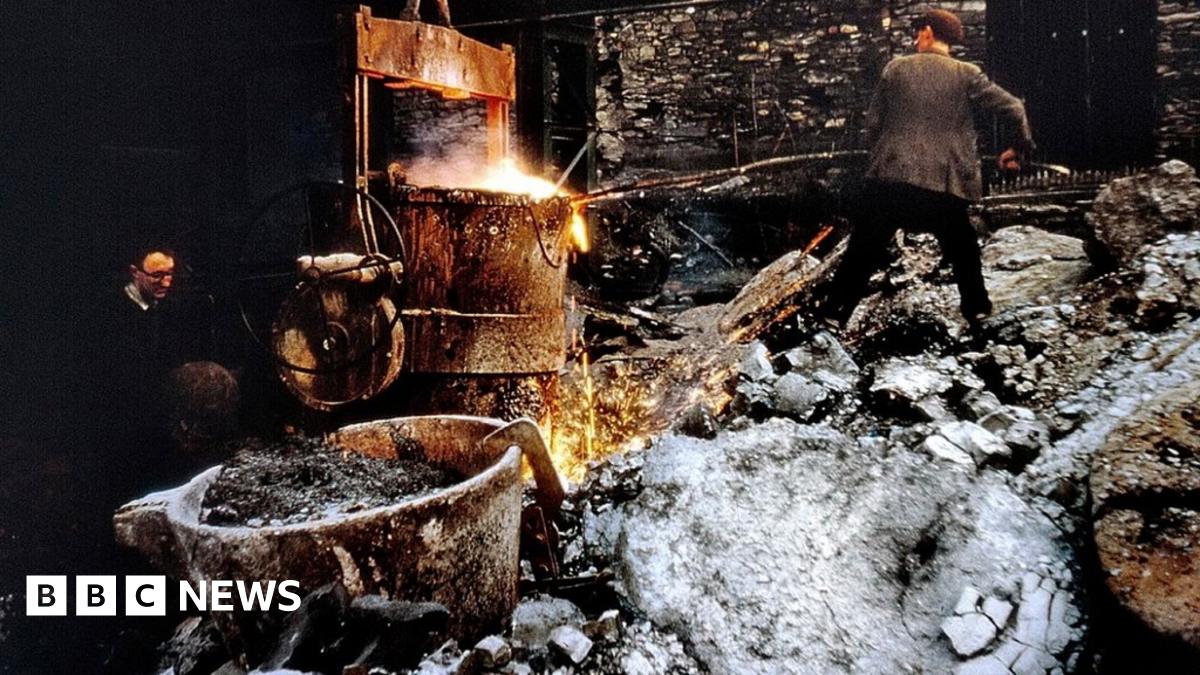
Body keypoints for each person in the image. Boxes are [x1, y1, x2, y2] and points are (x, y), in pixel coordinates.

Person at [823, 9, 1034, 330]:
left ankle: (833, 315)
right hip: (945, 185)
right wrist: (1016, 149)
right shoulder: (967, 73)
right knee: (962, 244)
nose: (914, 39)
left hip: (891, 180)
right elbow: (1015, 108)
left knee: (863, 246)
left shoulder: (895, 70)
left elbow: (872, 126)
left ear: (928, 33)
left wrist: (886, 155)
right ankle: (977, 312)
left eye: (917, 32)